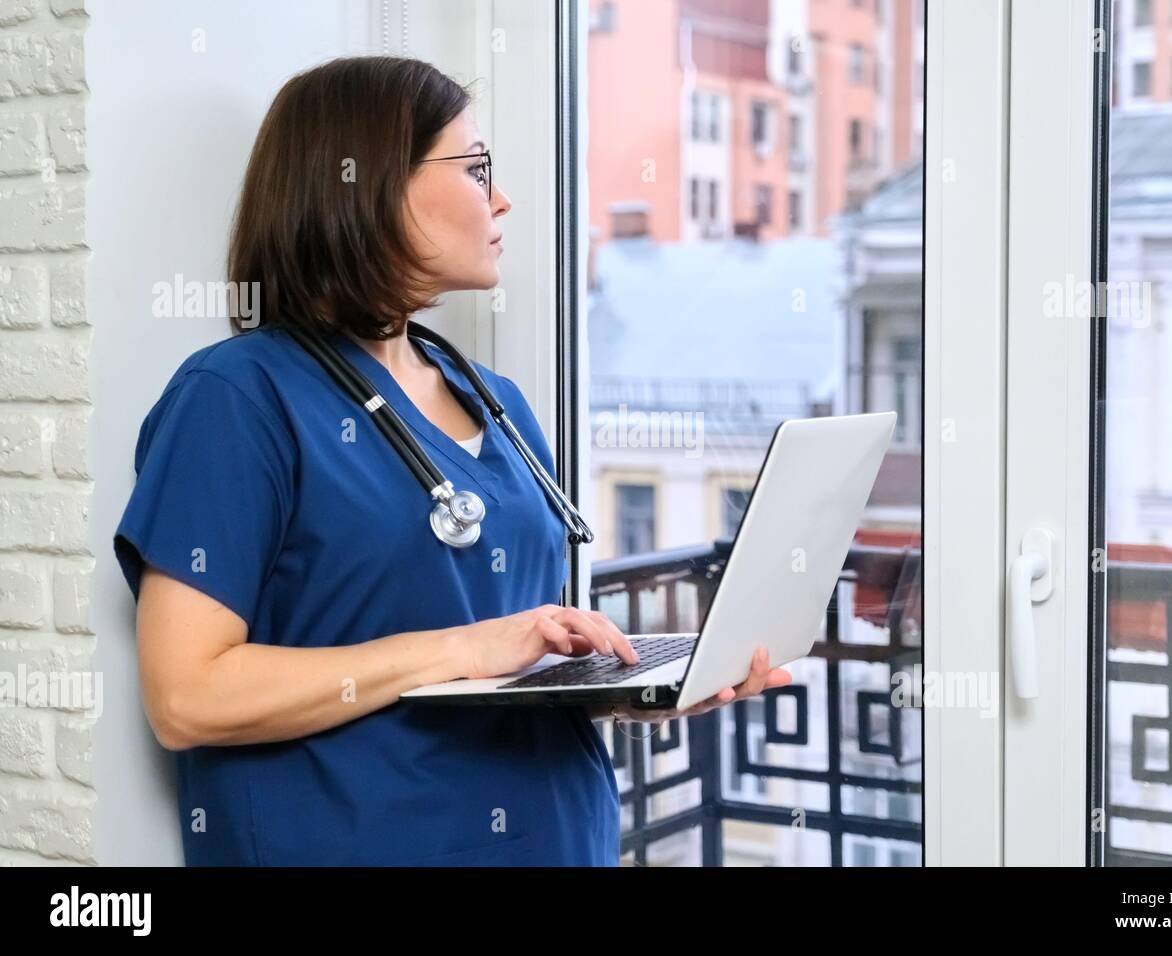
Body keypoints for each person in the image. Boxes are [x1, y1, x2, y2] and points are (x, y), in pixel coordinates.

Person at [113, 55, 791, 866]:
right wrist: (459, 648)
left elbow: (502, 660)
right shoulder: (237, 398)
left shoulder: (490, 397)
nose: (501, 199)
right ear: (366, 185)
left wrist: (631, 689)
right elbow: (187, 697)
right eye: (475, 170)